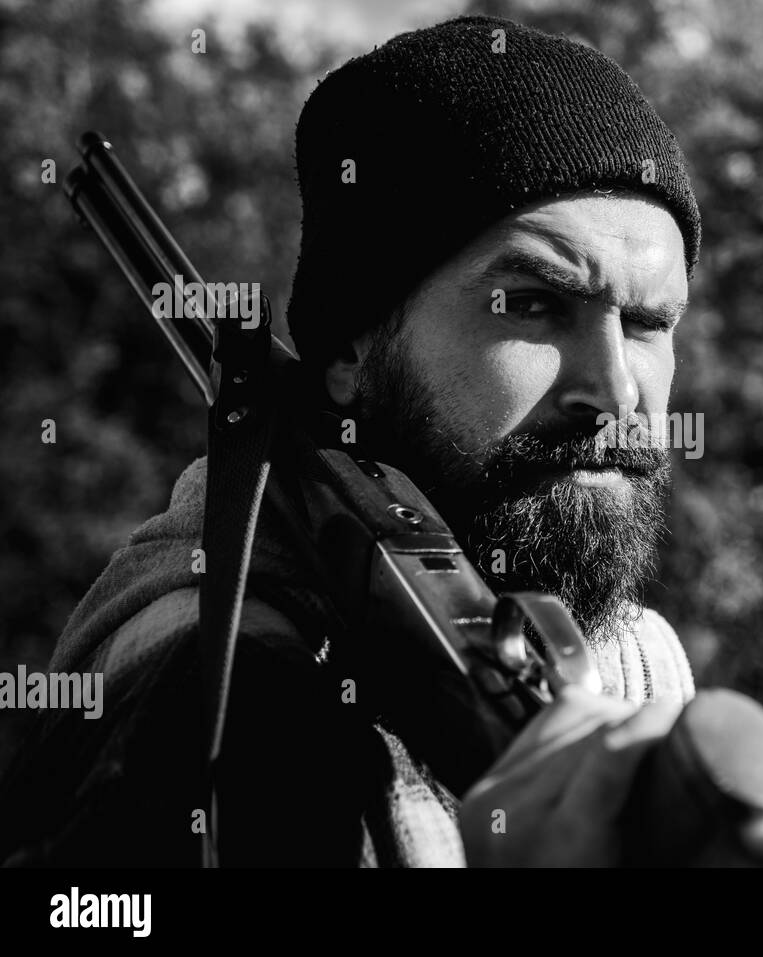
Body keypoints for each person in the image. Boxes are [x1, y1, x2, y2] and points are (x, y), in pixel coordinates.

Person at [0, 14, 702, 867]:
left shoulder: (635, 665)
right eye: (532, 304)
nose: (616, 389)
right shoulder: (214, 684)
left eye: (647, 322)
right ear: (346, 353)